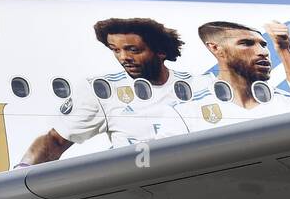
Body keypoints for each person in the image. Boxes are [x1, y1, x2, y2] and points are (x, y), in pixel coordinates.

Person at [18, 17, 194, 164]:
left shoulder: (198, 86)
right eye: (116, 50)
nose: (124, 58)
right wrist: (21, 173)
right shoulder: (104, 91)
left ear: (160, 51)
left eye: (133, 50)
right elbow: (55, 141)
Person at [187, 20, 290, 121]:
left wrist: (284, 49)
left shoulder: (285, 102)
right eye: (247, 43)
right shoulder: (189, 109)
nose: (263, 52)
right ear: (215, 48)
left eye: (264, 45)